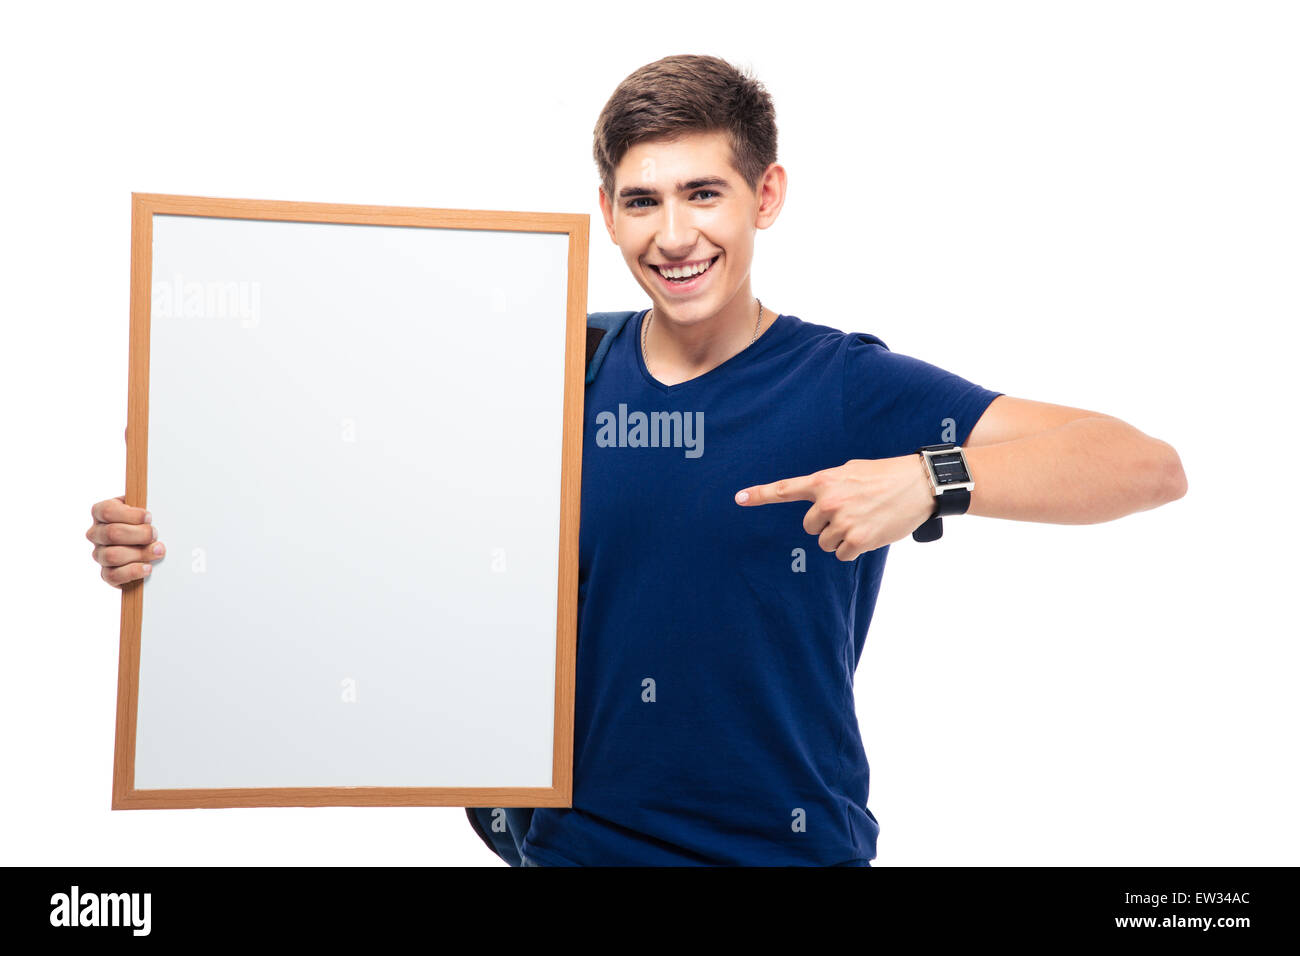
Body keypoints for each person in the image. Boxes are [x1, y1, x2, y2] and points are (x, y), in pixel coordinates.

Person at [88, 54, 1187, 865]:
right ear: (607, 214)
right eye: (642, 201)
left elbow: (1142, 463)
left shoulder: (845, 385)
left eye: (704, 194)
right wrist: (168, 533)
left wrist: (932, 477)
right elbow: (323, 466)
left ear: (765, 197)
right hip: (567, 852)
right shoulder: (544, 361)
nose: (674, 235)